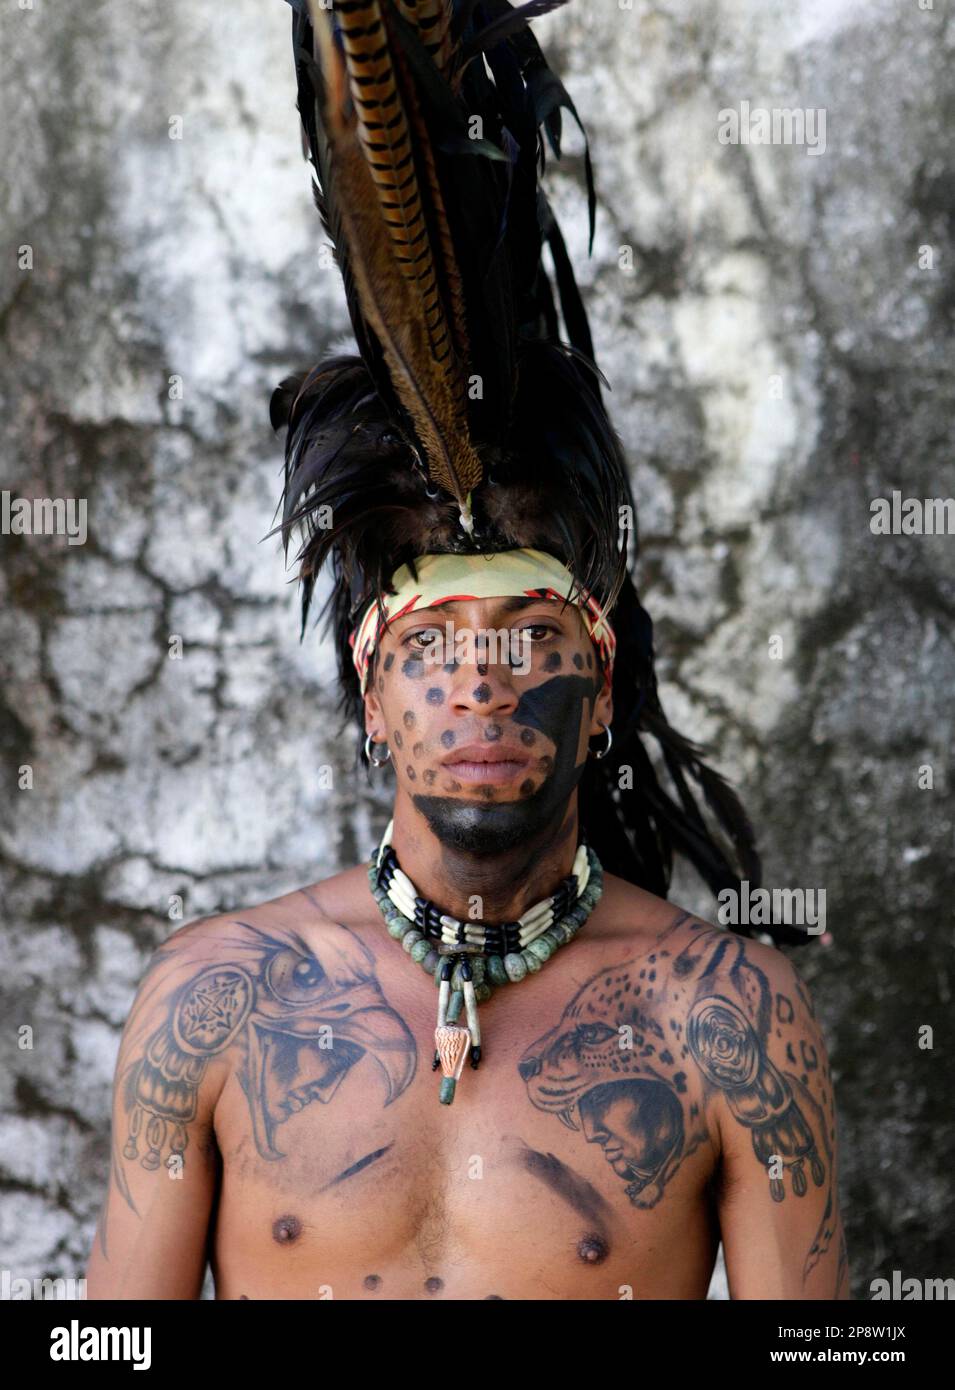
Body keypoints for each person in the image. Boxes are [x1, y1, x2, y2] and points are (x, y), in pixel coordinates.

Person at [85, 0, 848, 1300]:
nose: (484, 677)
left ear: (599, 684)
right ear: (372, 692)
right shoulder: (215, 993)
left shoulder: (723, 1012)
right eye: (436, 641)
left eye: (531, 634)